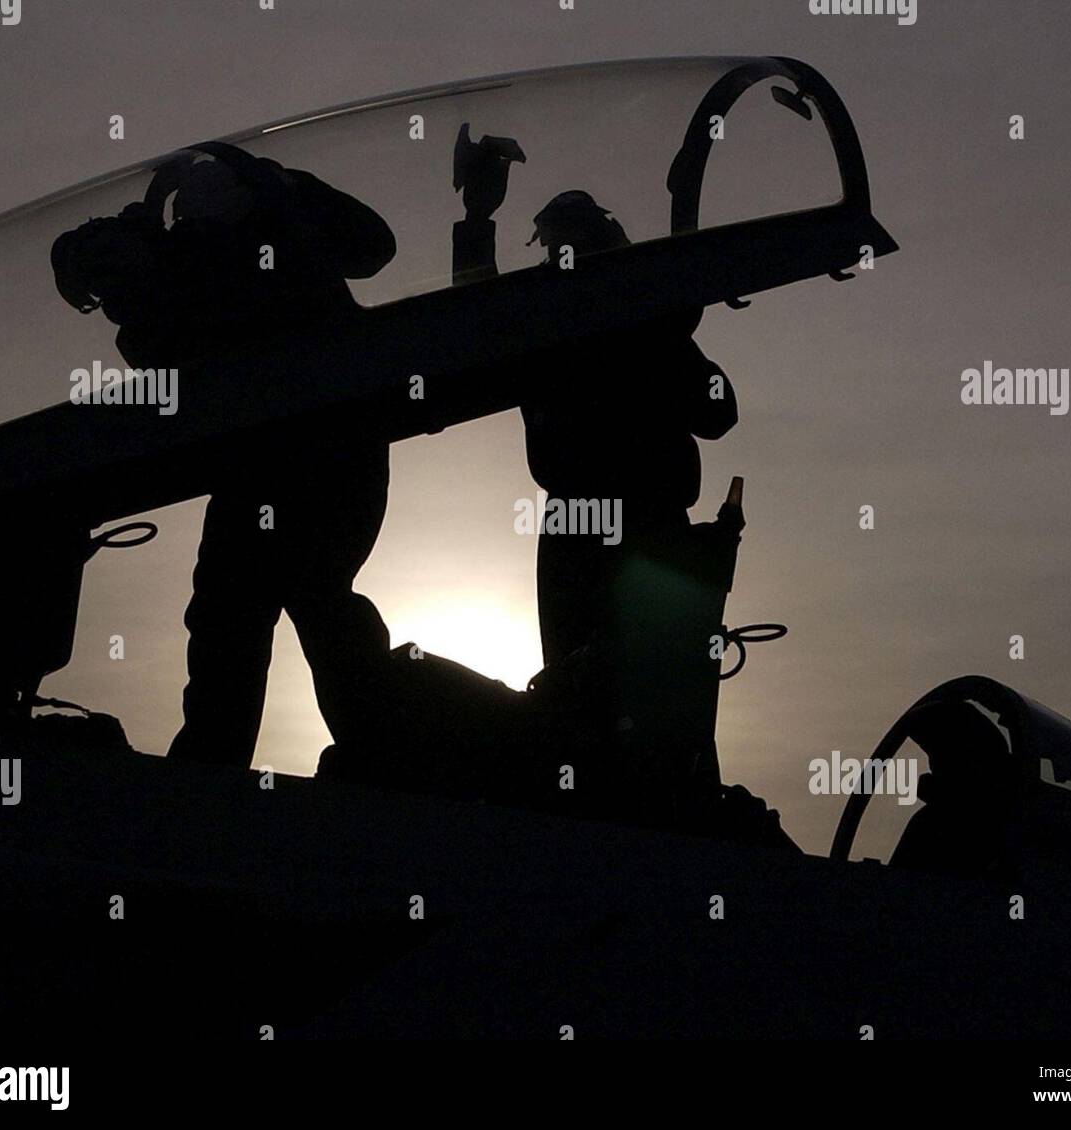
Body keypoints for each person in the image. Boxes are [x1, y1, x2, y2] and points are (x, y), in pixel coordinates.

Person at [52, 143, 398, 768]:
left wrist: (270, 183)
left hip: (327, 454)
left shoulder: (270, 230)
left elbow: (372, 246)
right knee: (234, 618)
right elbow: (169, 351)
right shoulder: (181, 277)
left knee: (309, 602)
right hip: (259, 473)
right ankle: (220, 776)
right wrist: (146, 246)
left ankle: (385, 759)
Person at [451, 127, 739, 821]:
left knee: (643, 716)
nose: (562, 257)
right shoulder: (590, 328)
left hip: (623, 531)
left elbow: (718, 410)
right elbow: (471, 328)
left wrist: (478, 219)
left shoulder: (613, 329)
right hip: (617, 532)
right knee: (613, 711)